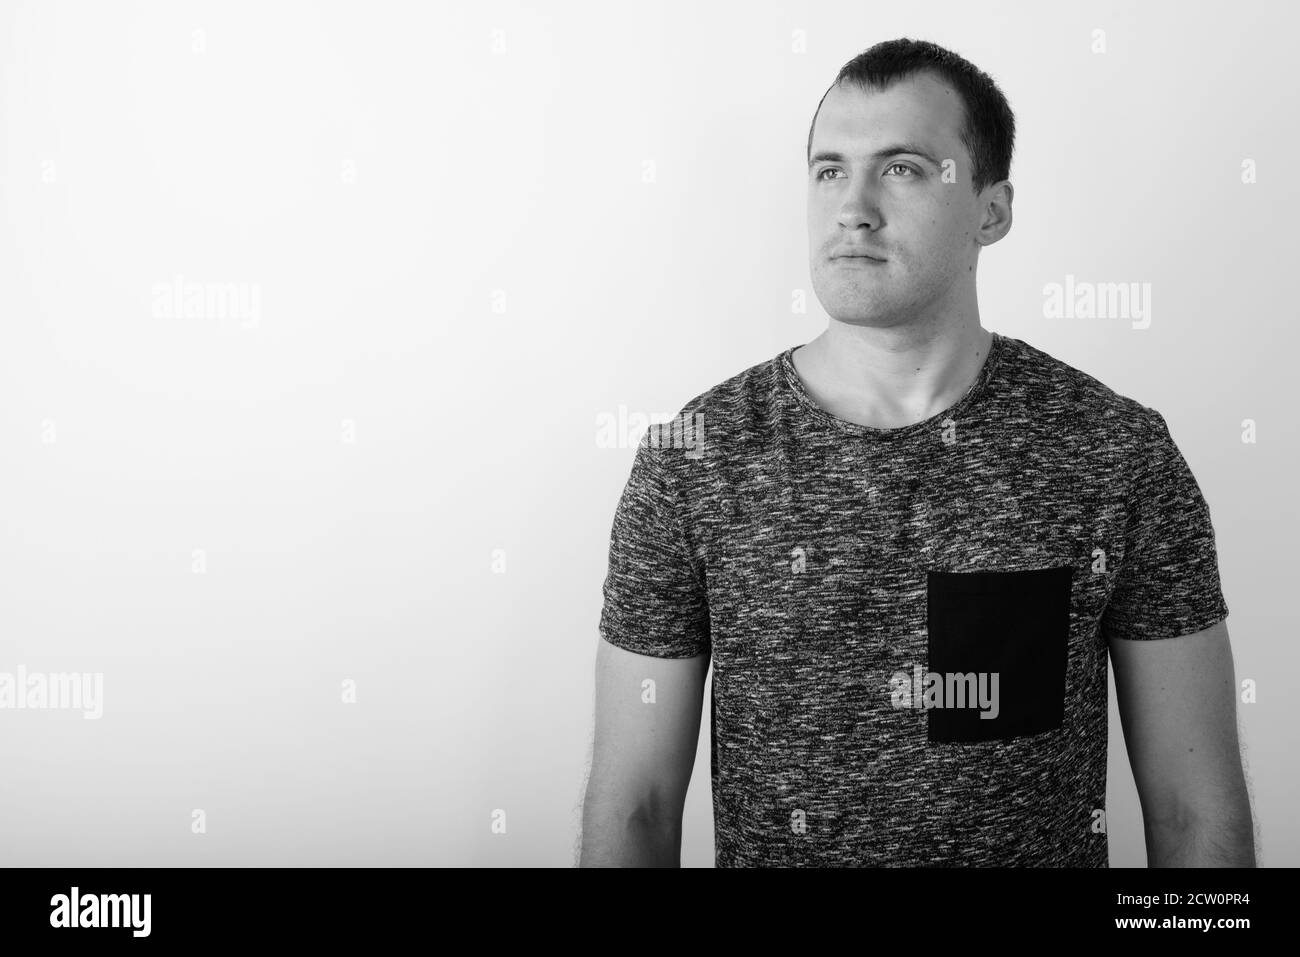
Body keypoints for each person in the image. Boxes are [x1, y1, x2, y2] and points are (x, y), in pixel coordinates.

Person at [579, 37, 1255, 867]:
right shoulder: (693, 461)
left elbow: (1195, 816)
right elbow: (636, 811)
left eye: (900, 167)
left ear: (991, 210)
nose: (852, 206)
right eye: (829, 170)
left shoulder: (1116, 453)